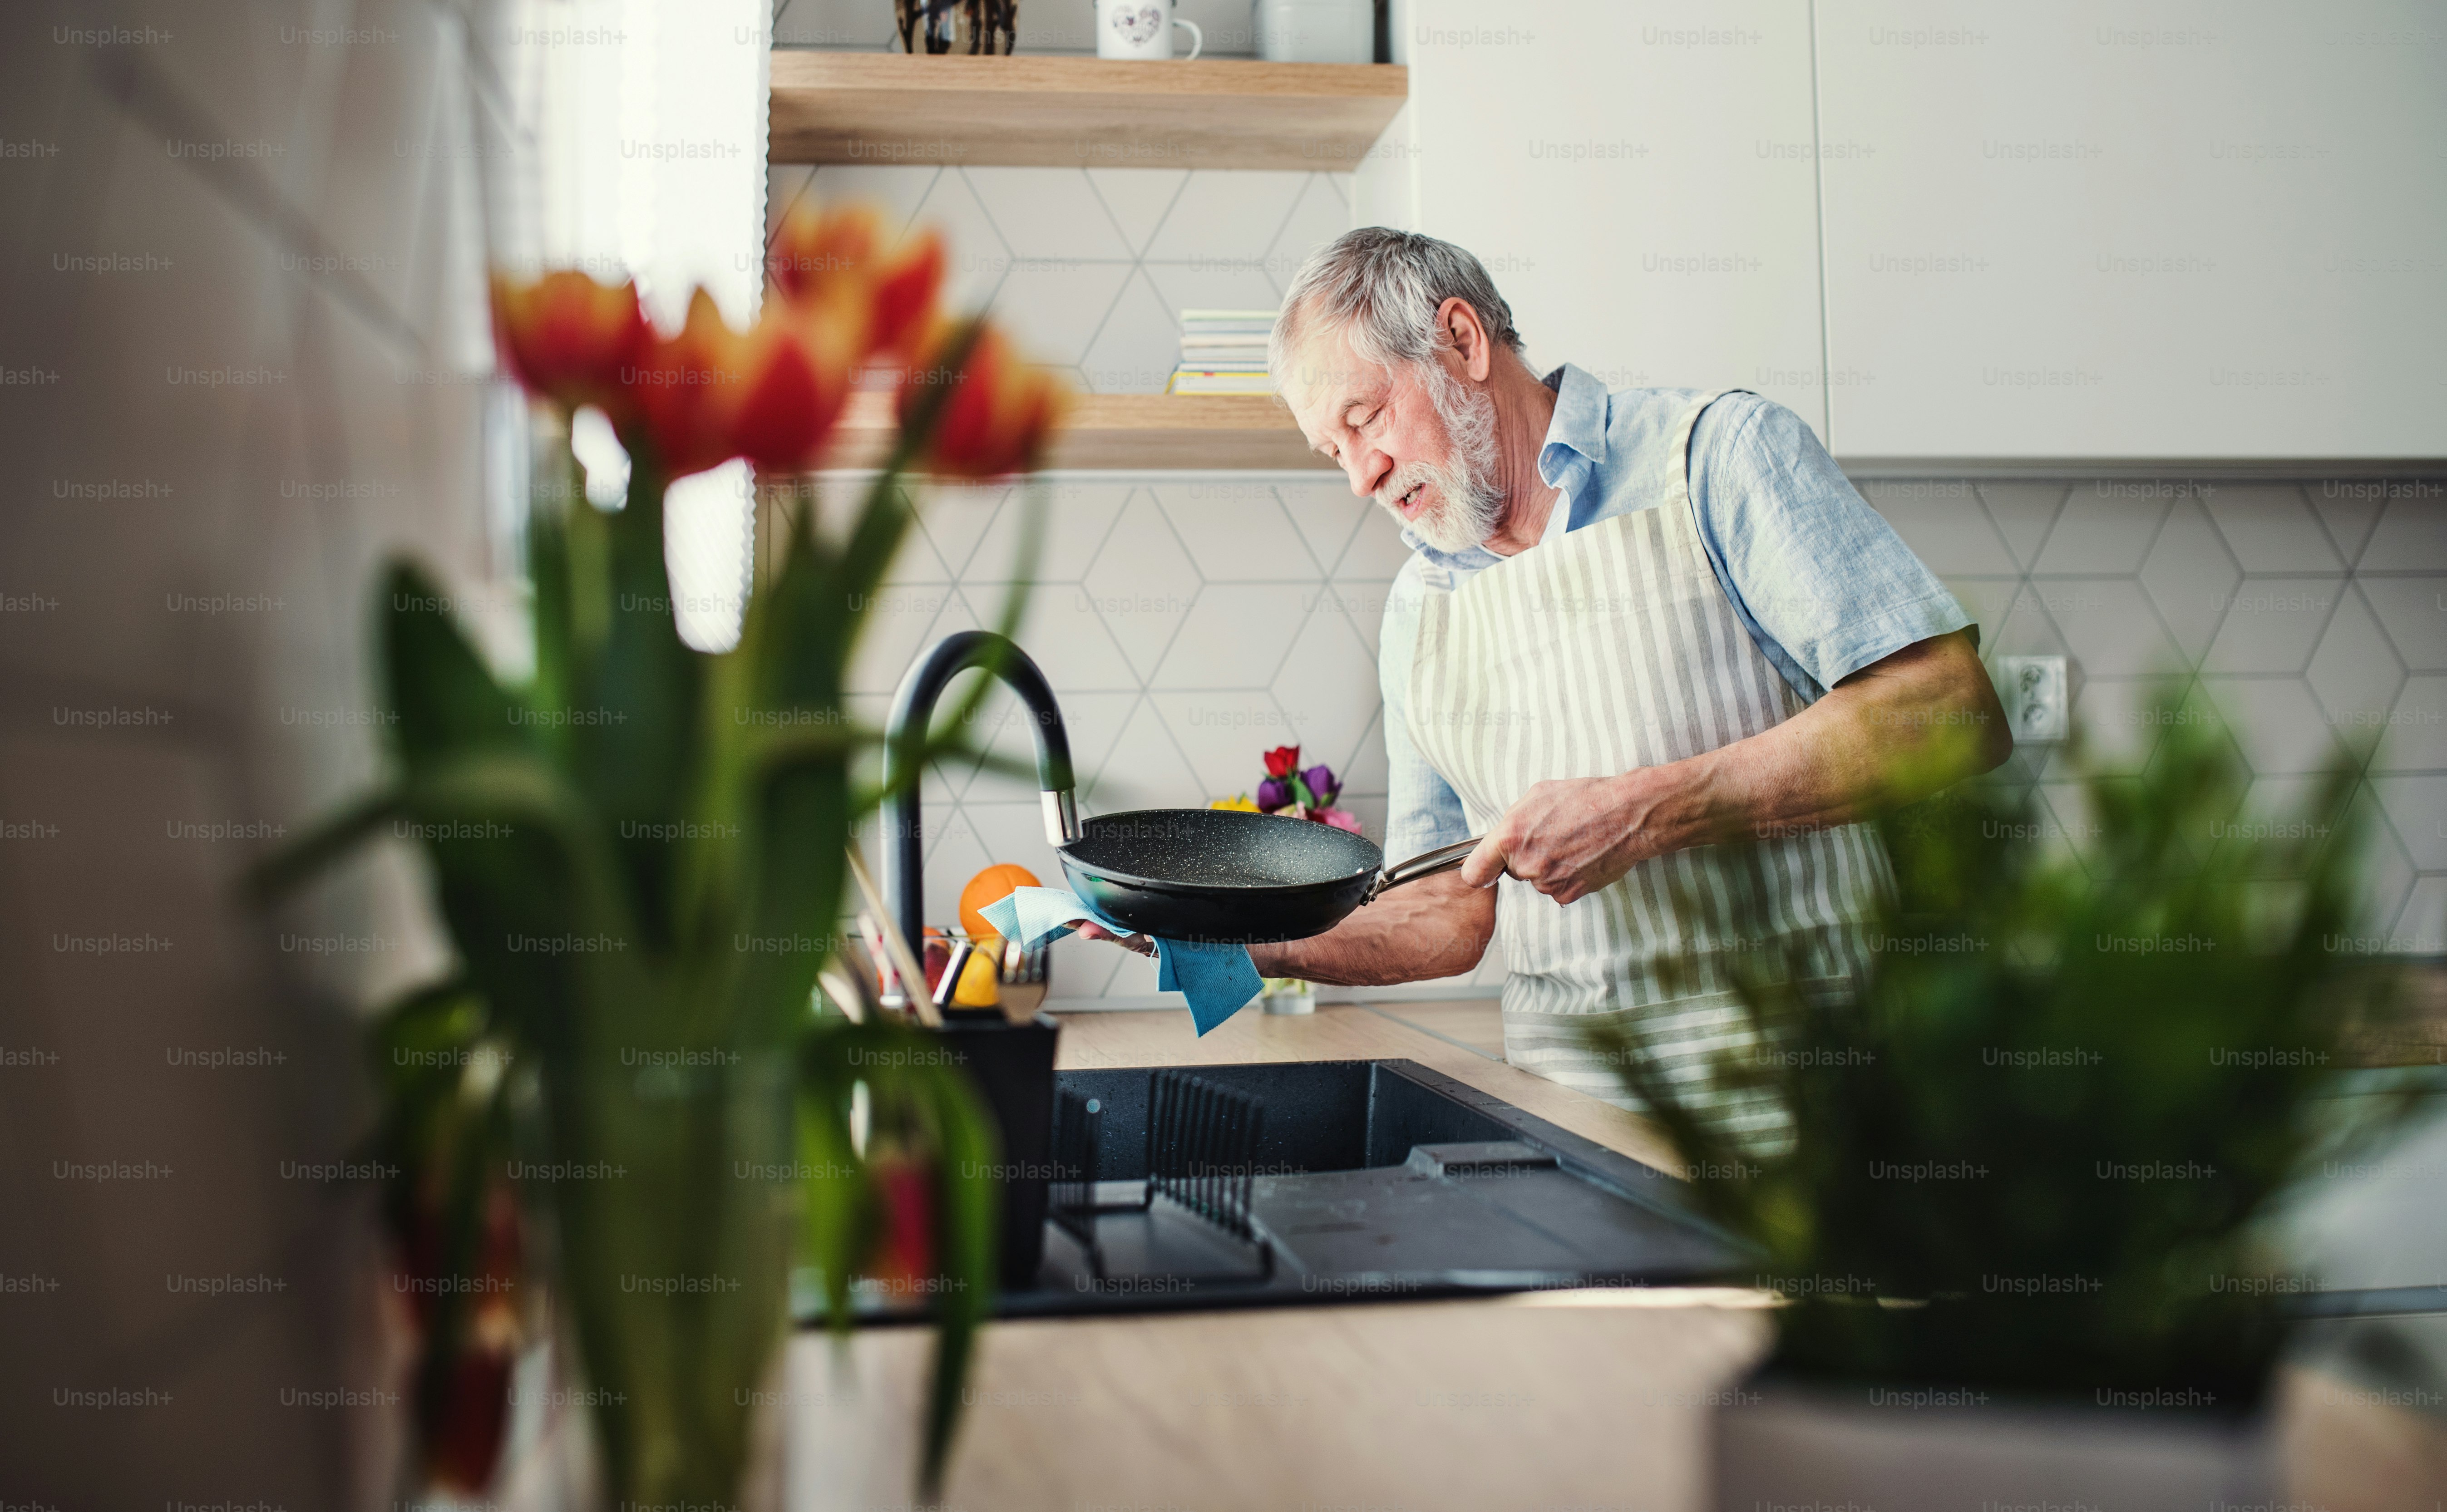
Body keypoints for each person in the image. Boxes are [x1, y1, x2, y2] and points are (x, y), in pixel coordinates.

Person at [1102, 228, 2010, 1115]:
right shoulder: (1421, 609)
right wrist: (1235, 941)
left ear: (1461, 342)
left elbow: (1950, 709)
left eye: (1364, 418)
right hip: (1572, 1117)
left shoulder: (1715, 456)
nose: (1360, 475)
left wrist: (1647, 810)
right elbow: (1443, 915)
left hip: (1816, 1095)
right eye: (1332, 450)